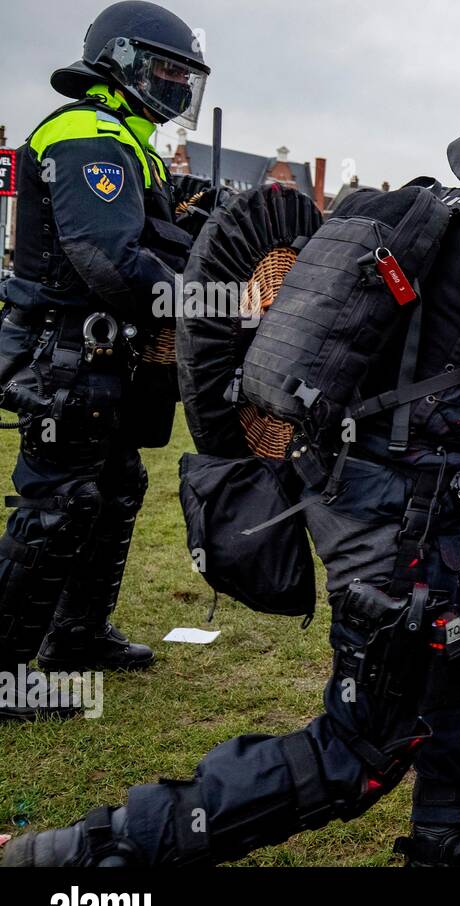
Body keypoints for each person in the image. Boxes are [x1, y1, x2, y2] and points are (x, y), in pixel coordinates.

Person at [1, 61, 460, 868]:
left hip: (374, 492)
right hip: (395, 521)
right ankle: (72, 856)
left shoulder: (450, 213)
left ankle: (445, 846)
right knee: (356, 753)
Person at [0, 1, 212, 720]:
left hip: (105, 354)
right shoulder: (85, 135)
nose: (178, 87)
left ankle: (76, 635)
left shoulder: (129, 141)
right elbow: (109, 258)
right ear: (120, 62)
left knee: (115, 486)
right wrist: (203, 304)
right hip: (65, 351)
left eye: (186, 76)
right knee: (59, 504)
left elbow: (149, 231)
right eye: (167, 71)